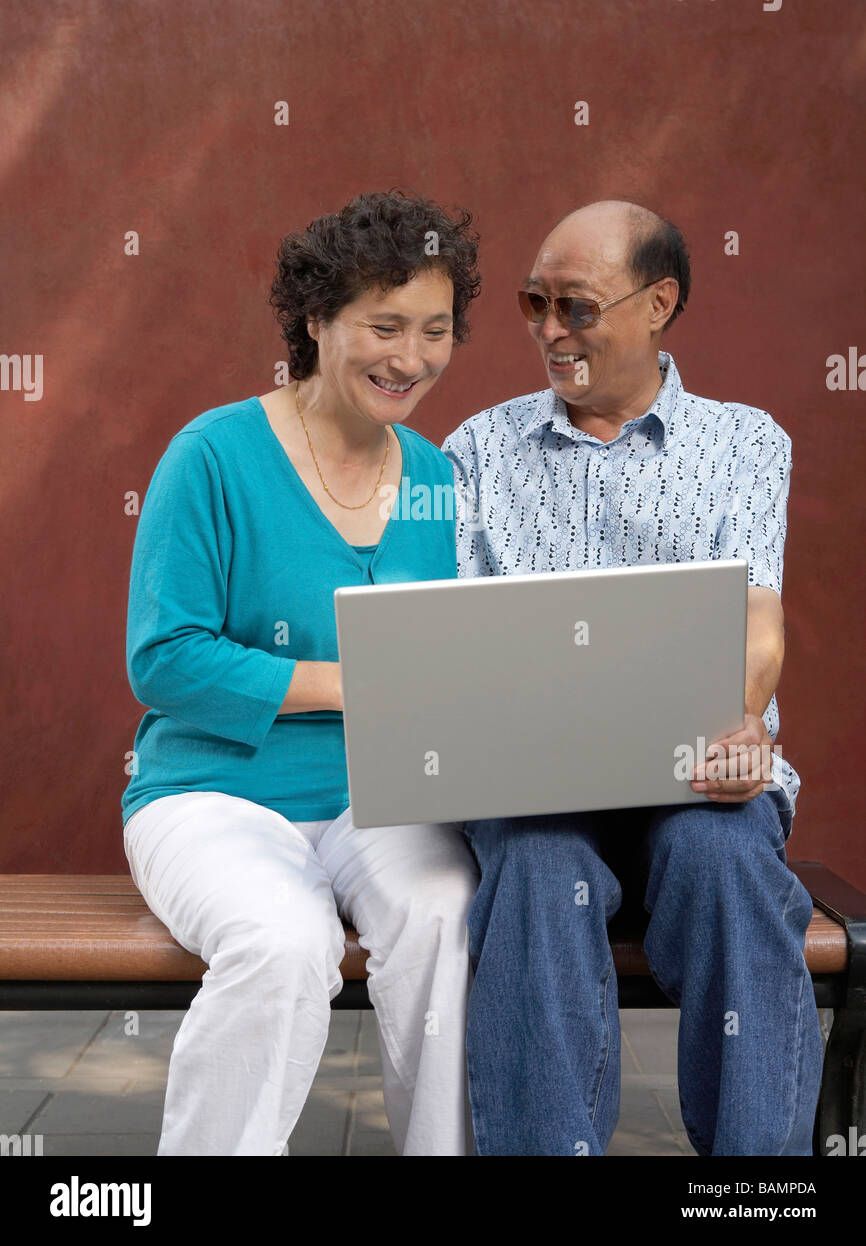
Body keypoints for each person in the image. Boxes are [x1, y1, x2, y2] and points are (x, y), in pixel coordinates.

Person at [442, 199, 823, 1156]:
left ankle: (757, 1188)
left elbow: (758, 615)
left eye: (575, 306)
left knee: (726, 858)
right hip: (533, 793)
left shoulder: (744, 444)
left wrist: (742, 722)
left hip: (701, 774)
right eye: (536, 304)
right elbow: (446, 637)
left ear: (659, 304)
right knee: (537, 866)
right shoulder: (477, 450)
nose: (548, 330)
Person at [122, 189, 482, 1156]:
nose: (411, 357)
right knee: (283, 943)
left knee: (447, 916)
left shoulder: (438, 480)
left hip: (383, 796)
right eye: (385, 325)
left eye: (437, 330)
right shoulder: (212, 455)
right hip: (213, 795)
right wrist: (355, 682)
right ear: (316, 321)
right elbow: (163, 658)